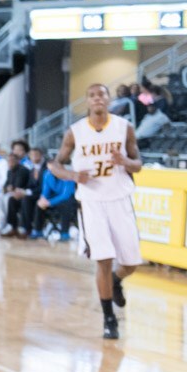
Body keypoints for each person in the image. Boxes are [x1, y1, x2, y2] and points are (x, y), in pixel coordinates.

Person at [49, 83, 143, 340]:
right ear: (88, 101)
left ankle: (116, 280)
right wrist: (72, 175)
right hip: (91, 202)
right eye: (92, 95)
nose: (97, 98)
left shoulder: (124, 128)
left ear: (109, 99)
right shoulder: (75, 132)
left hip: (120, 199)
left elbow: (138, 165)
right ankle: (109, 319)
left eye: (101, 94)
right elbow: (54, 164)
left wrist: (125, 161)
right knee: (102, 258)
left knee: (131, 263)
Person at [36, 170, 78, 241]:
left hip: (69, 200)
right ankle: (37, 230)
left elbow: (66, 195)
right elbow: (45, 191)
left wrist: (50, 202)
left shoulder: (68, 174)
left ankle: (65, 232)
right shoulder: (47, 174)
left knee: (66, 204)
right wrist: (42, 199)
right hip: (55, 200)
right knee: (39, 203)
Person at [2, 153, 31, 237]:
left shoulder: (23, 170)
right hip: (15, 193)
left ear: (18, 161)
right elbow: (5, 186)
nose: (10, 163)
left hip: (24, 194)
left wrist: (9, 188)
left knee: (9, 198)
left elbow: (18, 185)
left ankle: (13, 226)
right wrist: (7, 188)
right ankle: (5, 225)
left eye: (12, 161)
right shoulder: (9, 171)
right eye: (9, 161)